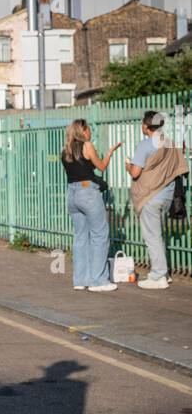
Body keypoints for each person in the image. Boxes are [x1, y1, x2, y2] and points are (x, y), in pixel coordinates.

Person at [126, 110, 189, 290]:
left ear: (146, 126)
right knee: (158, 236)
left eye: (142, 124)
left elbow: (136, 172)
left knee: (152, 237)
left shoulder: (145, 145)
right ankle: (164, 273)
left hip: (150, 196)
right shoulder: (169, 143)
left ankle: (158, 276)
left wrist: (128, 166)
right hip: (167, 195)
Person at [60, 119, 121, 292]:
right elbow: (101, 167)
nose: (91, 133)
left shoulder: (64, 150)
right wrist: (109, 153)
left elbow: (76, 172)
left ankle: (80, 279)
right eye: (89, 130)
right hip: (87, 192)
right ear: (83, 131)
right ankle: (98, 281)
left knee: (80, 237)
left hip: (71, 194)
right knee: (100, 235)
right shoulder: (87, 145)